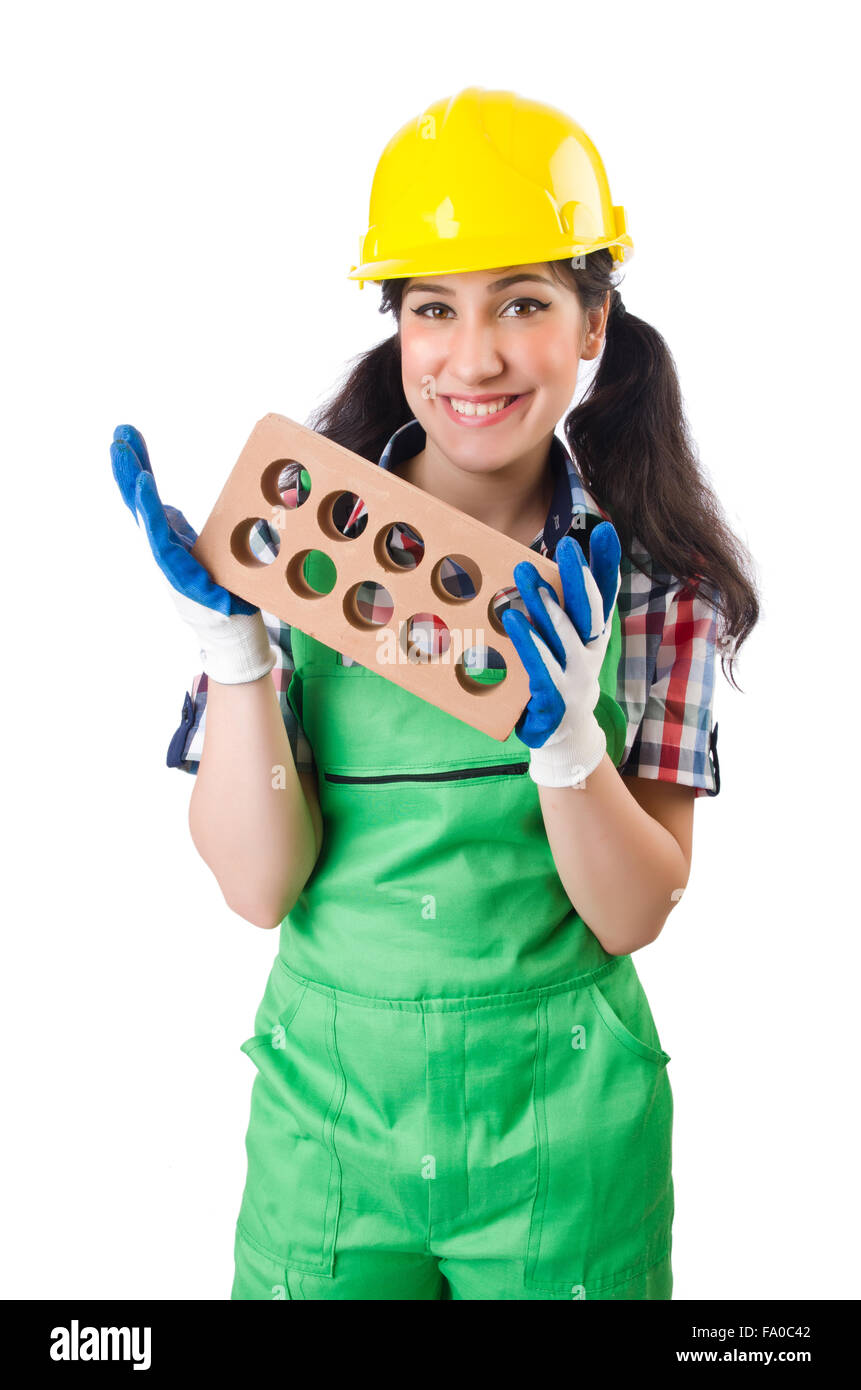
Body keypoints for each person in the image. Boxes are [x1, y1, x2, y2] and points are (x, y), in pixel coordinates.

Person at [111, 87, 759, 1301]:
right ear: (396, 326)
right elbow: (258, 888)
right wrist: (237, 656)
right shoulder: (305, 548)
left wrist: (570, 751)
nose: (474, 356)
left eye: (523, 302)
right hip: (330, 1131)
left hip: (564, 1136)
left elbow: (634, 914)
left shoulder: (661, 586)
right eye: (432, 308)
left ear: (592, 325)